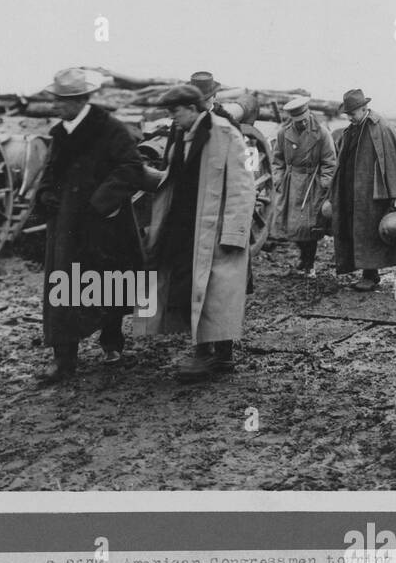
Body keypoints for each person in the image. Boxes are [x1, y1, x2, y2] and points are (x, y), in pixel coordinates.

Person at [35, 67, 153, 383]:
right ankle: (64, 360)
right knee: (63, 287)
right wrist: (46, 193)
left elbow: (132, 168)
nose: (57, 105)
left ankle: (112, 340)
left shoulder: (110, 129)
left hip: (104, 224)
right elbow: (50, 169)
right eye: (56, 99)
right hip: (66, 226)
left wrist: (100, 202)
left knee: (108, 284)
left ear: (80, 100)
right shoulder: (60, 133)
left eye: (62, 100)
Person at [135, 84, 254, 381]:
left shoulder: (225, 133)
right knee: (192, 289)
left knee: (218, 293)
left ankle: (221, 357)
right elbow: (174, 179)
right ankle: (203, 352)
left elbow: (243, 187)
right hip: (186, 228)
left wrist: (234, 233)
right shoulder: (181, 137)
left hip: (214, 230)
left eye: (175, 112)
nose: (172, 118)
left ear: (191, 108)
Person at [323, 89, 396, 292]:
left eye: (352, 113)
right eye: (348, 114)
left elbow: (392, 161)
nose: (350, 117)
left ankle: (370, 275)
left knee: (370, 232)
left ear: (363, 109)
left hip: (372, 192)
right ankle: (362, 270)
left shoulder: (380, 127)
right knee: (354, 230)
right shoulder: (353, 128)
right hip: (351, 189)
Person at [271, 95, 337, 277]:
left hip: (313, 183)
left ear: (308, 114)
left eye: (303, 120)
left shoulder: (322, 133)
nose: (301, 123)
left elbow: (329, 162)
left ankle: (309, 263)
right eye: (297, 121)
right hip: (291, 183)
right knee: (294, 226)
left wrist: (325, 183)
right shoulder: (283, 133)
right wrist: (278, 178)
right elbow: (277, 159)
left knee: (311, 226)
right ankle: (303, 256)